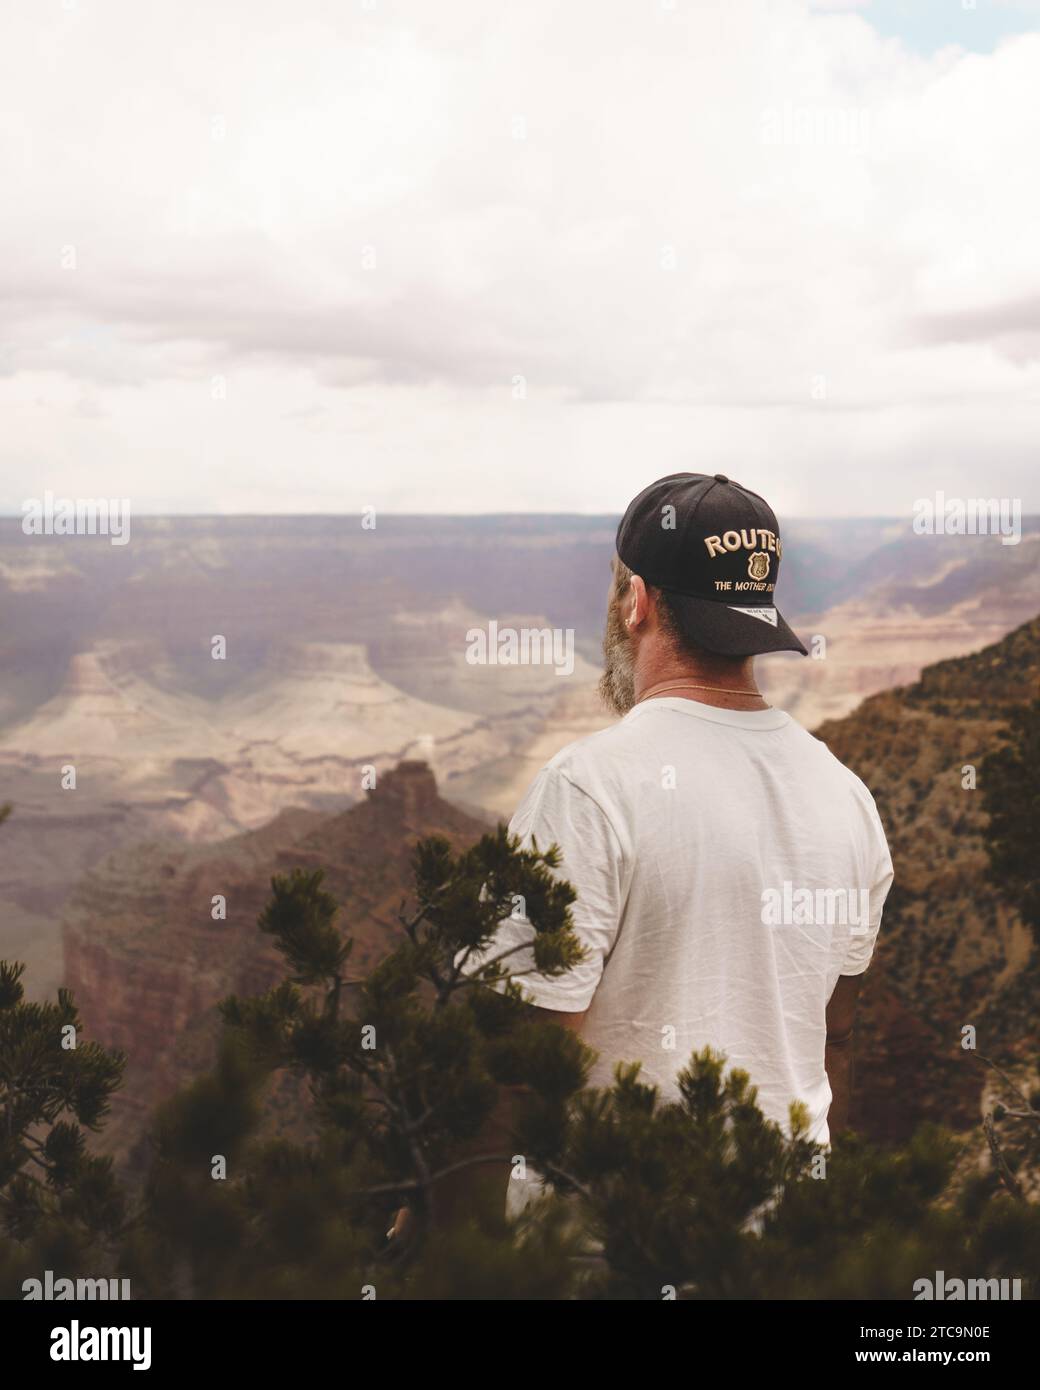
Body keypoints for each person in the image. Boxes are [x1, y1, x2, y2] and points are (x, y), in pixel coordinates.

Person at [431, 472, 894, 1229]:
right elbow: (833, 1039)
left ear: (637, 602)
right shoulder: (847, 797)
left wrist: (448, 1257)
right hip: (781, 1244)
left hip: (608, 1245)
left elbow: (514, 1070)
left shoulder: (587, 789)